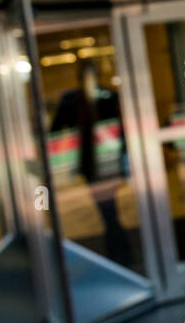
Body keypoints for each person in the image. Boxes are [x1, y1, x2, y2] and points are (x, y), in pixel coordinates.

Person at [49, 59, 132, 266]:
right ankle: (120, 251)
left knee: (108, 208)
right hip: (92, 163)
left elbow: (123, 131)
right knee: (108, 208)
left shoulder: (107, 97)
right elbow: (57, 130)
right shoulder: (73, 101)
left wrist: (125, 158)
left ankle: (118, 251)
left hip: (107, 161)